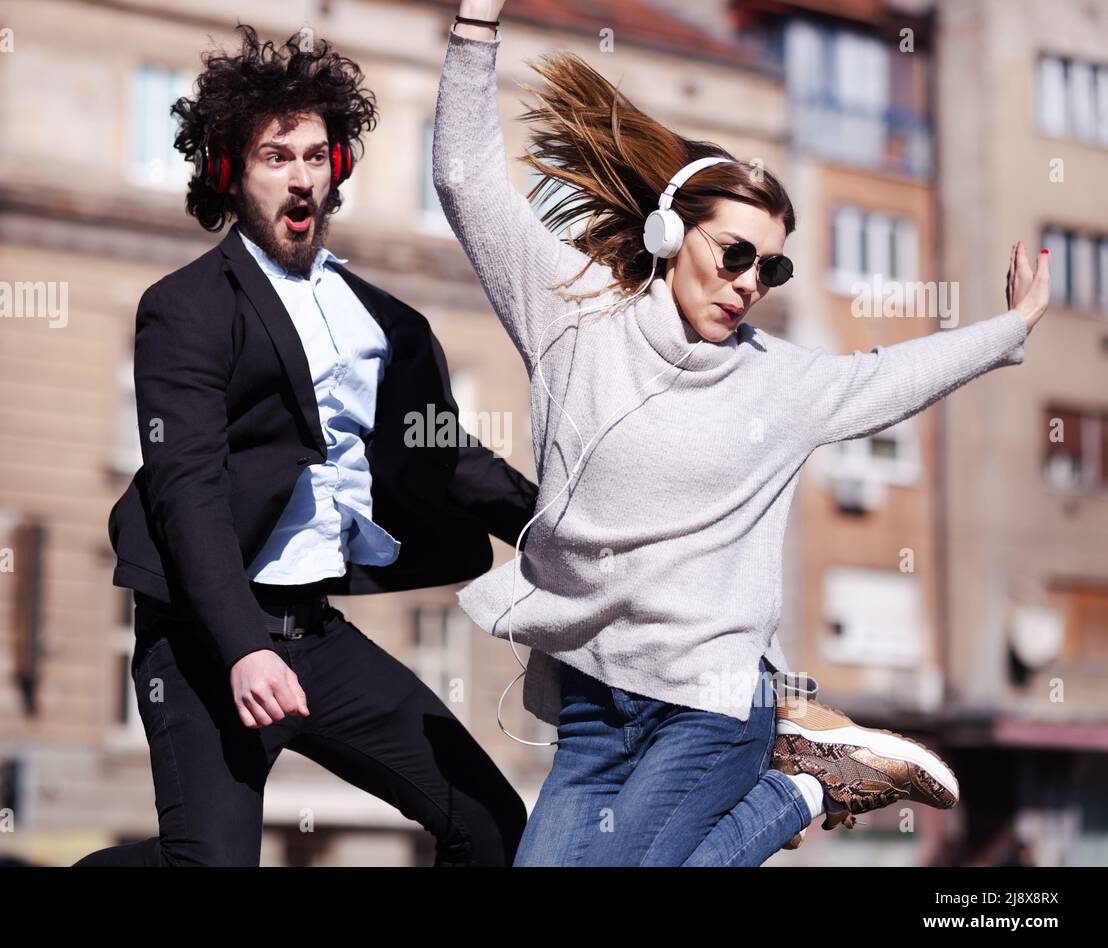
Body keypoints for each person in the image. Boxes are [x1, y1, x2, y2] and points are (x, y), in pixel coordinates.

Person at [436, 0, 1049, 866]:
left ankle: (802, 787)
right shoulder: (572, 319)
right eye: (735, 254)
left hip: (713, 702)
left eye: (771, 268)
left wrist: (1011, 328)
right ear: (668, 232)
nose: (749, 282)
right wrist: (474, 28)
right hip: (594, 704)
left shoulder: (776, 380)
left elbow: (890, 378)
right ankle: (813, 776)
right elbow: (467, 182)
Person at [75, 23, 537, 867]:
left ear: (339, 168)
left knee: (493, 825)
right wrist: (243, 647)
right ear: (230, 172)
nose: (300, 176)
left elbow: (442, 455)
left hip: (314, 635)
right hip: (205, 637)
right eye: (275, 156)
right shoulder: (186, 308)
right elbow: (186, 490)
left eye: (316, 156)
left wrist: (560, 529)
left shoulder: (381, 321)